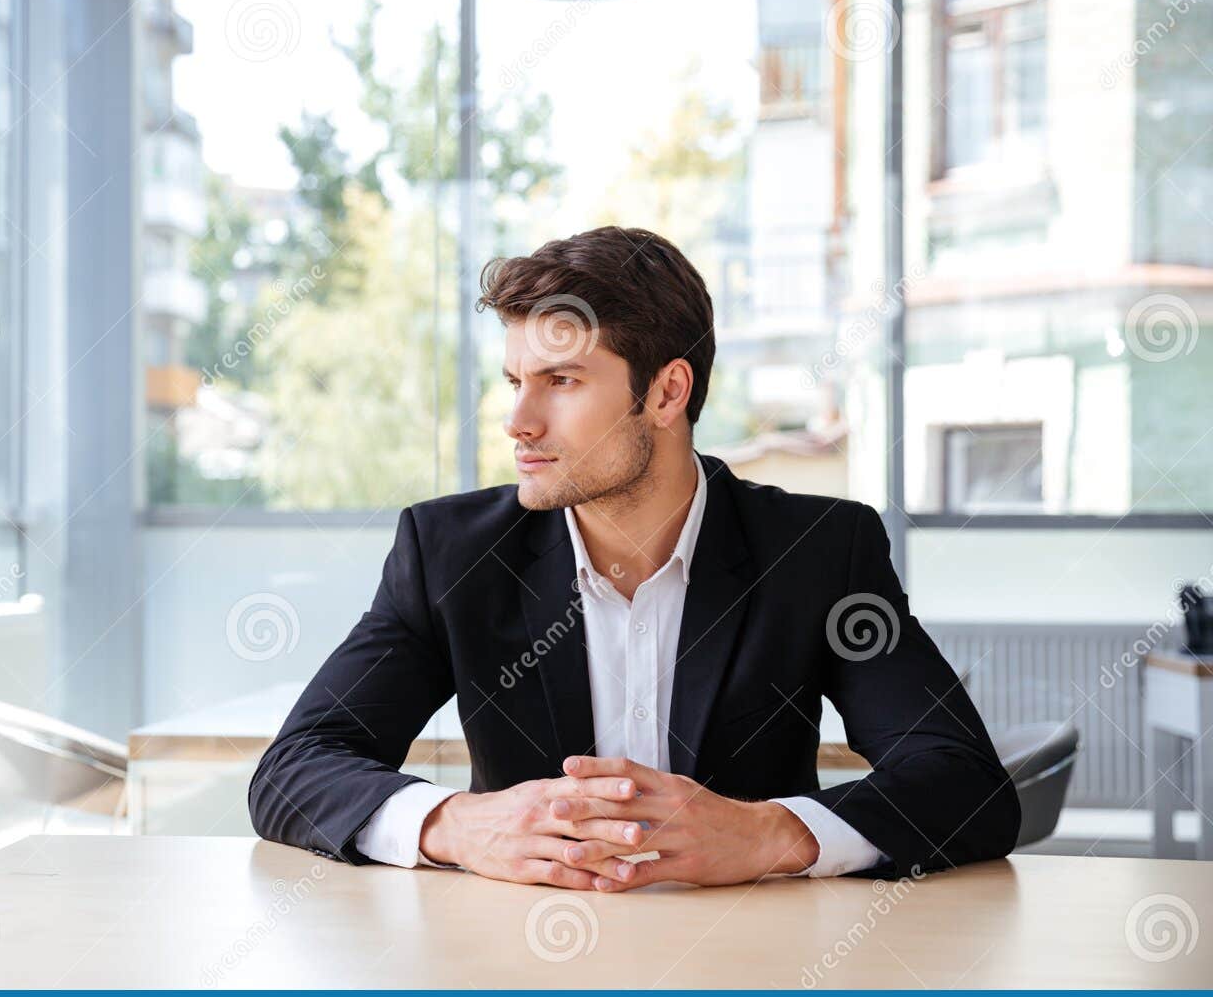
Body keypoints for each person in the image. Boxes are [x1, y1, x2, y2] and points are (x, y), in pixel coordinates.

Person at [249, 226, 1019, 891]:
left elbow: (965, 784)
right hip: (517, 972)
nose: (519, 420)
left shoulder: (819, 552)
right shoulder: (453, 553)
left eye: (562, 381)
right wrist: (455, 823)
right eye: (516, 382)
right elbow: (296, 767)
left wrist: (769, 834)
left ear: (667, 391)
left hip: (755, 971)